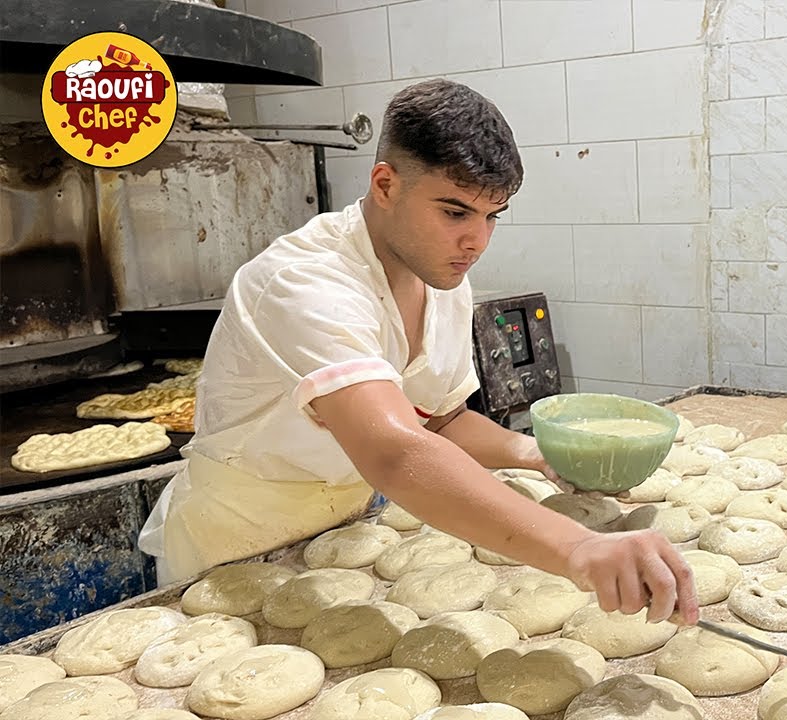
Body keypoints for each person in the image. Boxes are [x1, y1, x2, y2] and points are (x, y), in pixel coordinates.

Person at [138, 79, 699, 626]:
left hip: (340, 538)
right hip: (234, 552)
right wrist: (576, 548)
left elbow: (442, 420)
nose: (477, 241)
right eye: (455, 212)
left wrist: (535, 454)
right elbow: (394, 451)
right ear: (385, 184)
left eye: (492, 215)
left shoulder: (440, 279)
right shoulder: (305, 283)